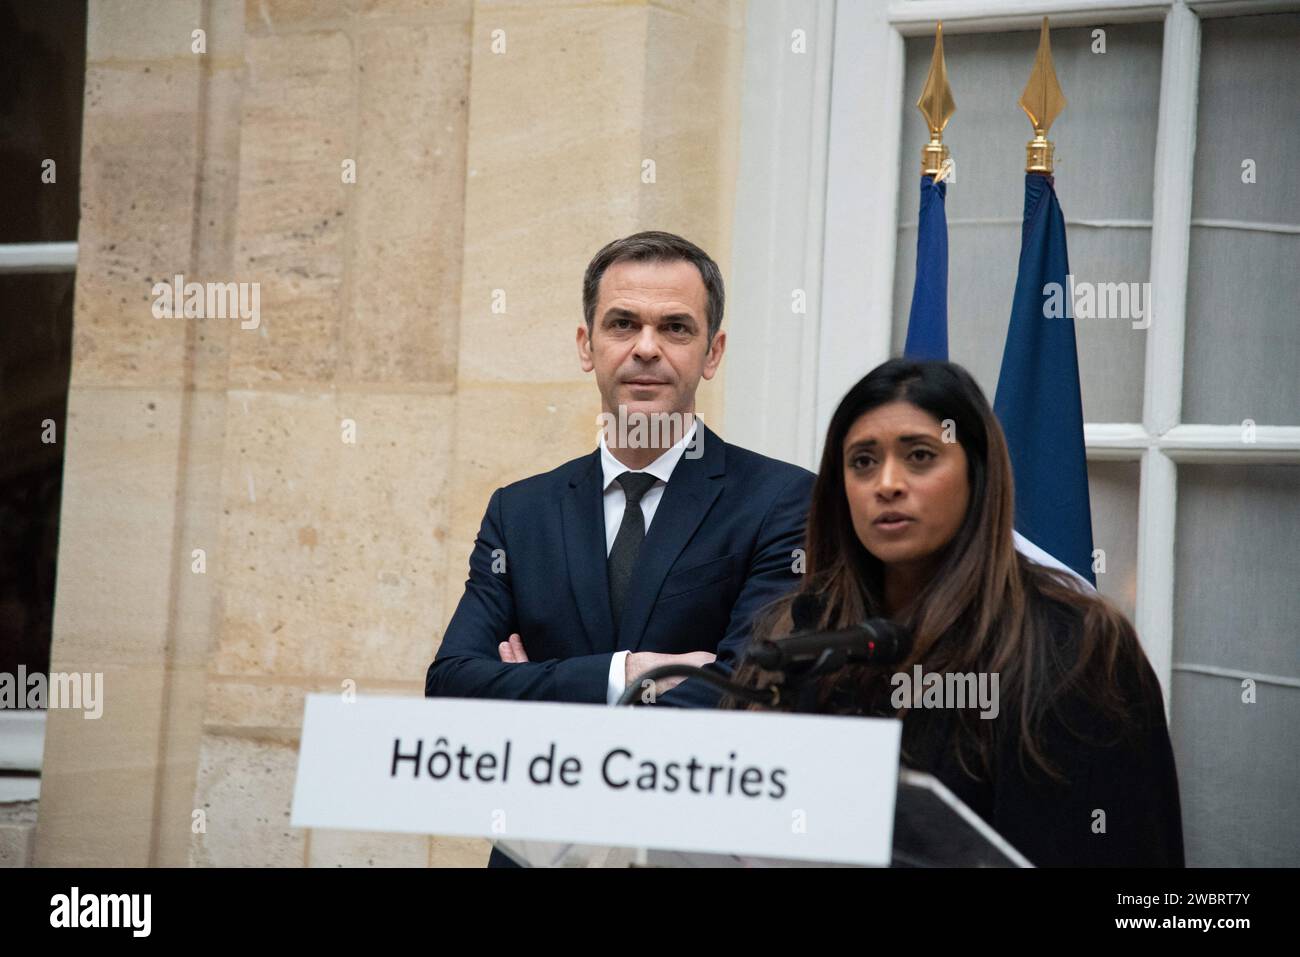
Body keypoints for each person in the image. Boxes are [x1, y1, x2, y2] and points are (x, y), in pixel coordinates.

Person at [426, 232, 814, 863]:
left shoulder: (784, 501)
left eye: (676, 328)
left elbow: (750, 691)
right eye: (622, 323)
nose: (646, 348)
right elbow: (453, 687)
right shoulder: (519, 511)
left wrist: (538, 700)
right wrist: (626, 675)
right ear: (588, 345)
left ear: (712, 353)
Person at [727, 358, 1185, 867]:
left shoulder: (1075, 647)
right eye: (862, 462)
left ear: (979, 476)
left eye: (920, 456)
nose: (887, 483)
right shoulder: (797, 633)